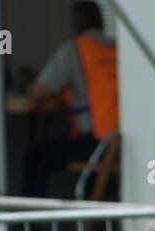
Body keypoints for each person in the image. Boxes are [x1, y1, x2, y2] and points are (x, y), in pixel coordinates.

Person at [21, 1, 119, 197]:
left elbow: (39, 90)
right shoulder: (117, 49)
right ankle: (95, 223)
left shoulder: (76, 49)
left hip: (93, 142)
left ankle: (28, 224)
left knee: (35, 156)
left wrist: (27, 84)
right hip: (120, 143)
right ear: (102, 22)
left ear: (74, 26)